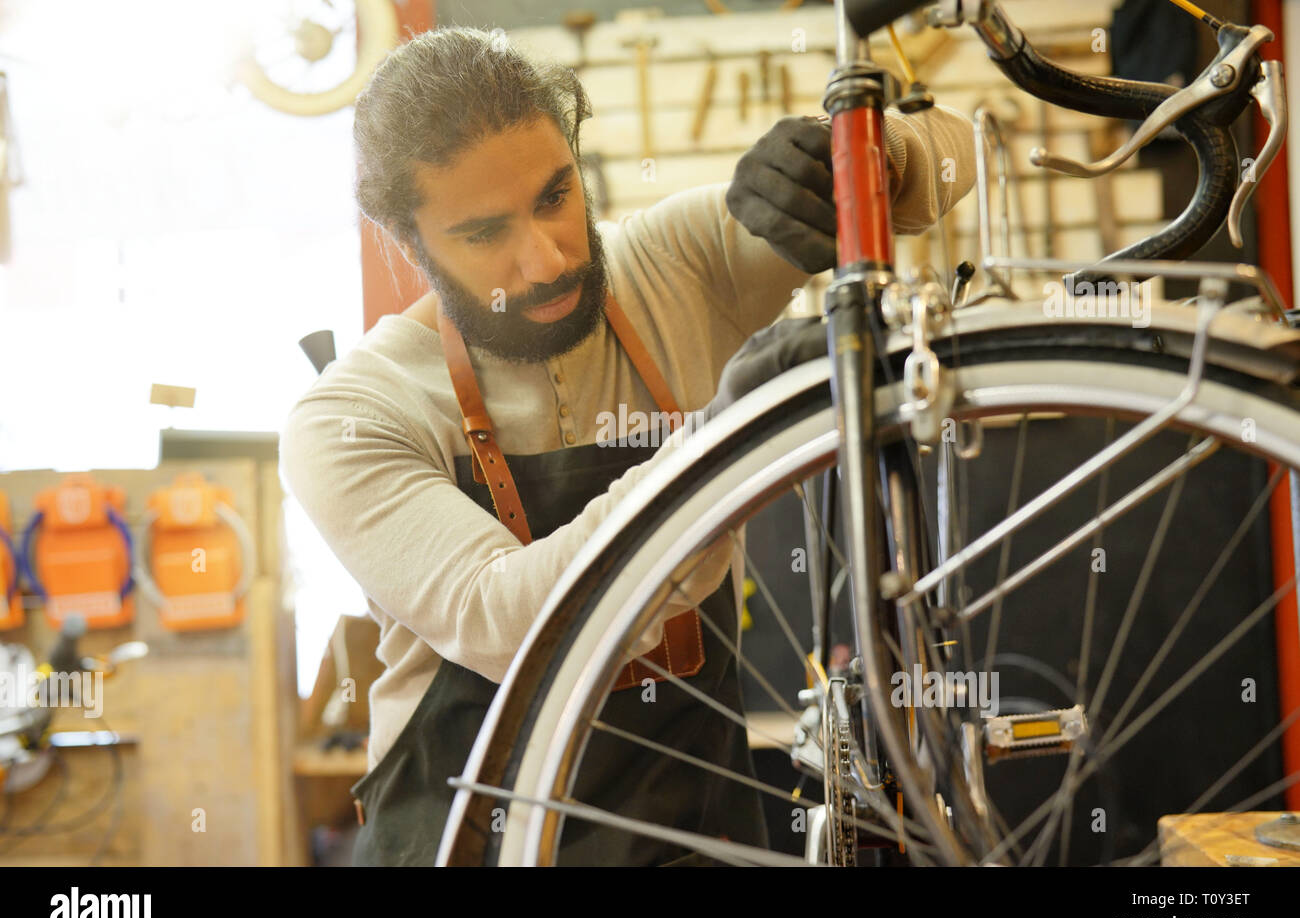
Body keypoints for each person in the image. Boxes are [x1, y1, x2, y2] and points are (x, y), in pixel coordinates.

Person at [279, 25, 976, 866]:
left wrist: (869, 157)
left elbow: (958, 154)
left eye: (554, 196)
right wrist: (721, 443)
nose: (544, 261)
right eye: (482, 232)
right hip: (476, 844)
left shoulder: (674, 265)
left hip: (693, 835)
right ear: (407, 239)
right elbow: (514, 626)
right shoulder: (352, 414)